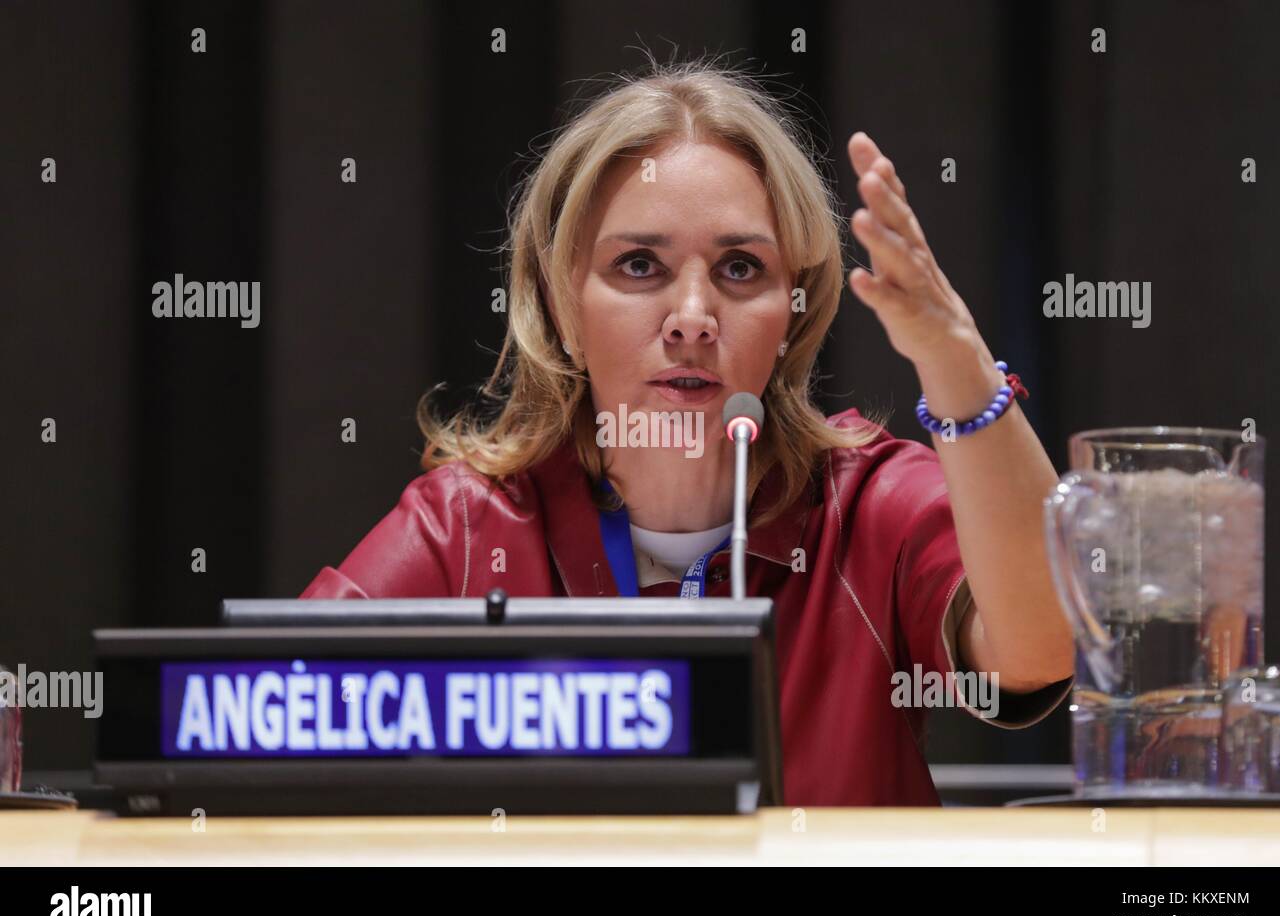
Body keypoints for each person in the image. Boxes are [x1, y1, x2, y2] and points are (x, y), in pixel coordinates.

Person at [300, 59, 1074, 806]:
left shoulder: (869, 505)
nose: (695, 319)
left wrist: (956, 361)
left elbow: (1044, 647)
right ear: (564, 305)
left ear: (793, 311)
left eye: (740, 269)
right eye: (640, 265)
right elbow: (266, 725)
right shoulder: (466, 531)